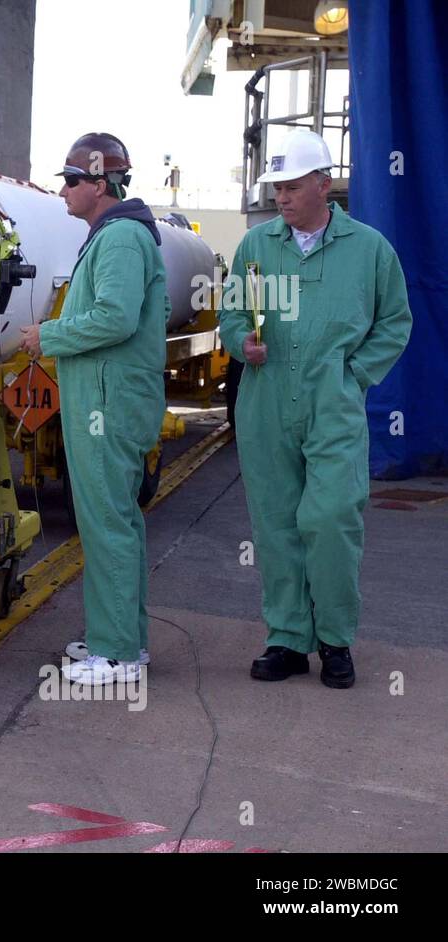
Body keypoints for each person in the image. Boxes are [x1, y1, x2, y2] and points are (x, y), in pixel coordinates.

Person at [217, 130, 411, 688]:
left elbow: (395, 322)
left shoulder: (369, 248)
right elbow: (232, 313)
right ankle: (286, 640)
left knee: (329, 521)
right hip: (266, 402)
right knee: (276, 526)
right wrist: (239, 343)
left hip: (334, 406)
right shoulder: (256, 246)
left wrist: (354, 375)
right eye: (277, 188)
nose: (282, 197)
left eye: (293, 187)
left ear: (324, 185)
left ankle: (335, 640)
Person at [17, 132, 169, 685]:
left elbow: (115, 318)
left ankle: (118, 652)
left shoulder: (122, 238)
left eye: (72, 179)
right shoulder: (112, 235)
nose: (63, 190)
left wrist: (48, 335)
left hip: (109, 405)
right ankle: (122, 638)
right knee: (114, 522)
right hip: (105, 401)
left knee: (108, 524)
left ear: (100, 183)